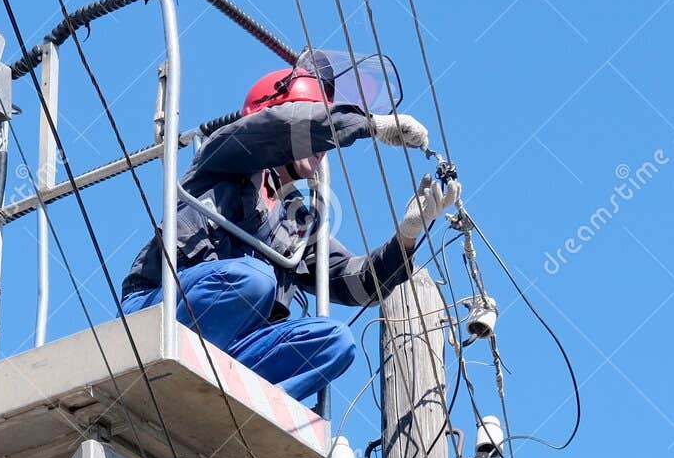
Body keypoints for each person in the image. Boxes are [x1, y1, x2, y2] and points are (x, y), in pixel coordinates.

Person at [120, 53, 458, 403]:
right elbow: (283, 128)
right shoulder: (225, 154)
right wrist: (369, 124)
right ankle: (180, 378)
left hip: (228, 350)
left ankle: (238, 410)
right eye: (317, 128)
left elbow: (358, 284)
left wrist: (407, 234)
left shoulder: (295, 220)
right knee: (254, 279)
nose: (322, 150)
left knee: (334, 341)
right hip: (156, 311)